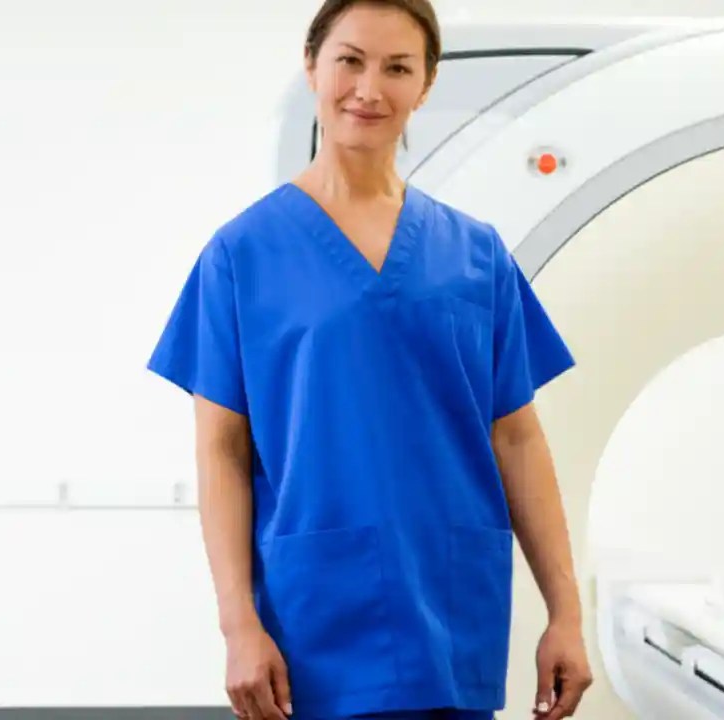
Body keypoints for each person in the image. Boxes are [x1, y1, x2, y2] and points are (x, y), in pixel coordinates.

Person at [146, 0, 592, 718]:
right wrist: (237, 625)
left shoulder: (475, 254)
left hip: (451, 604)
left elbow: (516, 437)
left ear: (427, 83)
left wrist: (566, 614)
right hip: (312, 621)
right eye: (350, 60)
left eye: (397, 67)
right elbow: (221, 452)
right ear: (312, 66)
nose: (369, 88)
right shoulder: (243, 254)